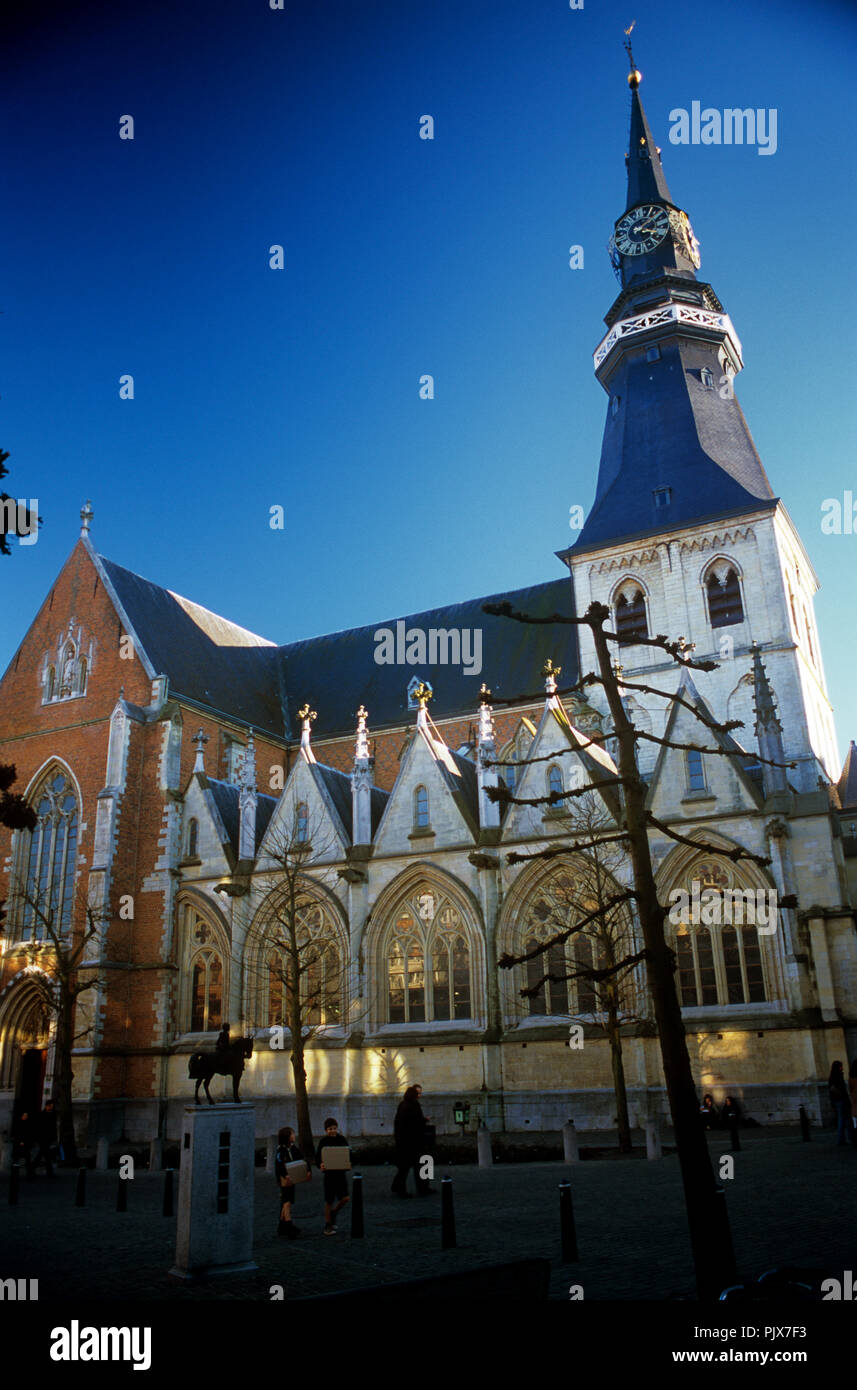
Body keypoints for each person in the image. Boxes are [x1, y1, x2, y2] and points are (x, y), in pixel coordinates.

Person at [392, 1084, 435, 1197]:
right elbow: (415, 1122)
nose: (419, 1096)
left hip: (404, 1141)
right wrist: (424, 1120)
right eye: (418, 1094)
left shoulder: (402, 1105)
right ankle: (422, 1188)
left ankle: (398, 1187)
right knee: (421, 1163)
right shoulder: (413, 1105)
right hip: (414, 1141)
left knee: (405, 1167)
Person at [317, 1117, 350, 1235]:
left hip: (340, 1174)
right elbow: (318, 1157)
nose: (332, 1131)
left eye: (334, 1128)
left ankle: (334, 1212)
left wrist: (349, 1163)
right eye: (330, 1129)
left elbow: (348, 1154)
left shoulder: (342, 1139)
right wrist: (320, 1165)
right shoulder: (323, 1141)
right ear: (326, 1130)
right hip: (329, 1175)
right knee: (329, 1200)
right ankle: (327, 1224)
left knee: (345, 1198)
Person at [275, 1126, 308, 1238]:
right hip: (284, 1180)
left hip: (292, 1177)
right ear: (287, 1137)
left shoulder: (293, 1148)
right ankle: (289, 1225)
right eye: (292, 1134)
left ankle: (282, 1226)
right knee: (287, 1202)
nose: (294, 1135)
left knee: (286, 1201)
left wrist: (307, 1169)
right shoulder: (281, 1150)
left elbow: (301, 1158)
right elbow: (279, 1165)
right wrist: (285, 1175)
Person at [33, 1099, 57, 1176]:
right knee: (46, 1155)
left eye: (52, 1107)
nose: (51, 1108)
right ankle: (49, 1172)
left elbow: (53, 1128)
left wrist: (54, 1137)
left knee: (44, 1154)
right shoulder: (42, 1115)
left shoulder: (52, 1115)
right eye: (50, 1106)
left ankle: (32, 1168)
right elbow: (38, 1127)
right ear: (47, 1106)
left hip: (48, 1138)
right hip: (42, 1138)